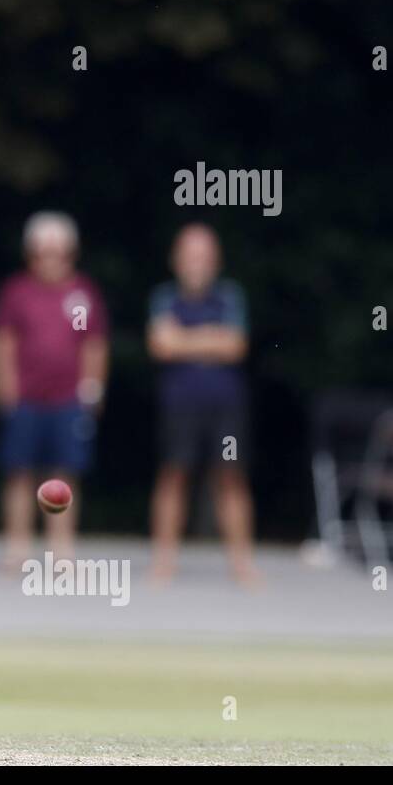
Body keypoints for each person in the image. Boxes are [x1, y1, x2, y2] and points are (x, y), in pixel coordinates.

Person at [0, 211, 108, 572]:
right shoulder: (16, 293)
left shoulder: (82, 294)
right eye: (44, 252)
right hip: (25, 398)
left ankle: (61, 550)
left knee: (65, 475)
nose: (51, 260)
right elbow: (2, 342)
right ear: (32, 254)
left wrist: (92, 390)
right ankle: (17, 549)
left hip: (69, 399)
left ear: (71, 253)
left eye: (59, 252)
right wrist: (5, 389)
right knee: (19, 473)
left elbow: (93, 345)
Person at [147, 223, 259, 585]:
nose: (197, 264)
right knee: (173, 476)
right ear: (176, 260)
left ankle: (242, 564)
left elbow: (236, 347)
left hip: (226, 408)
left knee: (231, 478)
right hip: (179, 406)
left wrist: (183, 339)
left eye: (204, 257)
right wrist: (211, 338)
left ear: (216, 261)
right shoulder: (163, 297)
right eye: (190, 256)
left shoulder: (231, 296)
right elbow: (161, 346)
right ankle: (164, 562)